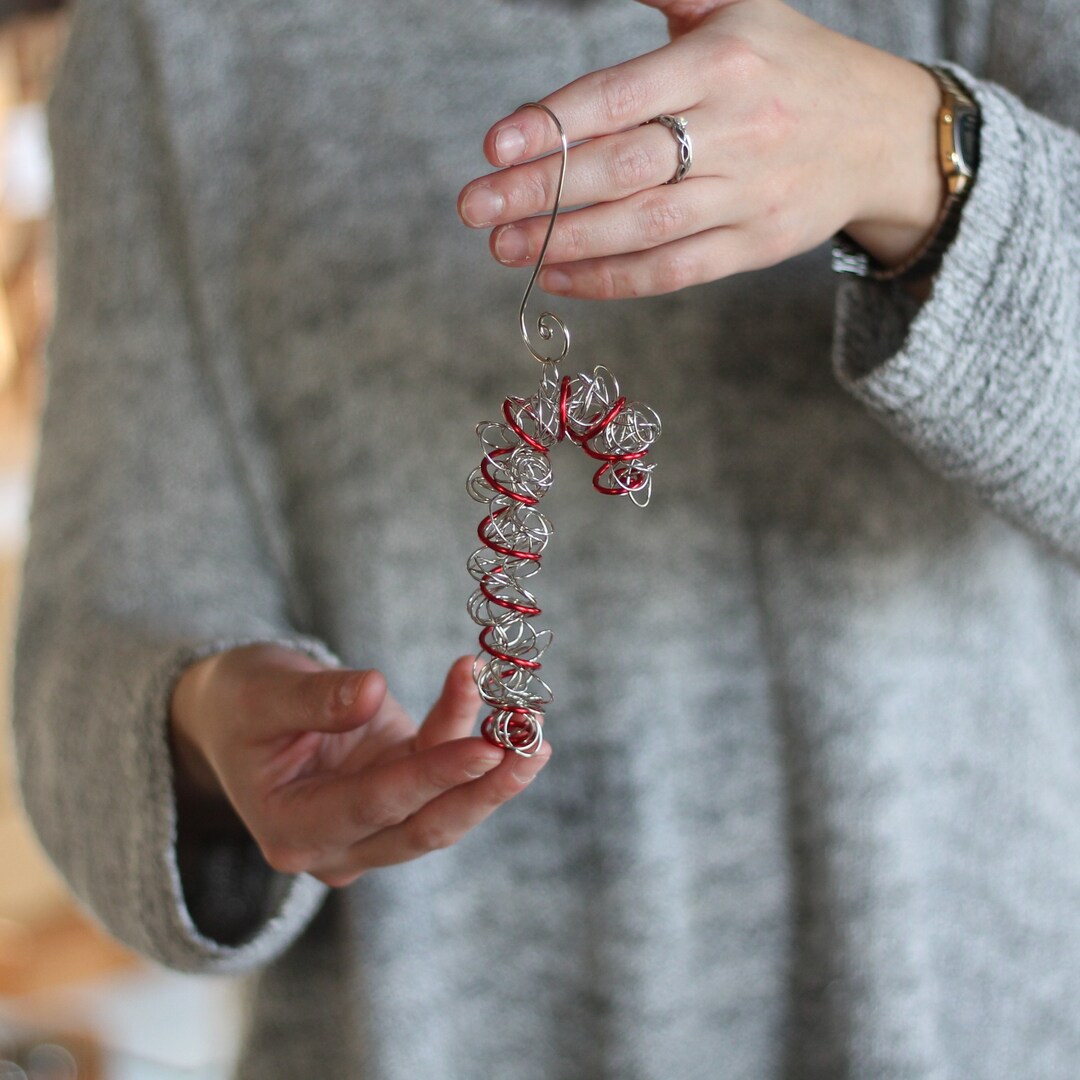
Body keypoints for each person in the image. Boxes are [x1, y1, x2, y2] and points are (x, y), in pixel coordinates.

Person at [11, 0, 1080, 1076]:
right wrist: (203, 724)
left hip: (962, 1007)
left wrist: (918, 150)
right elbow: (97, 645)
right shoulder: (172, 38)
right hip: (424, 1031)